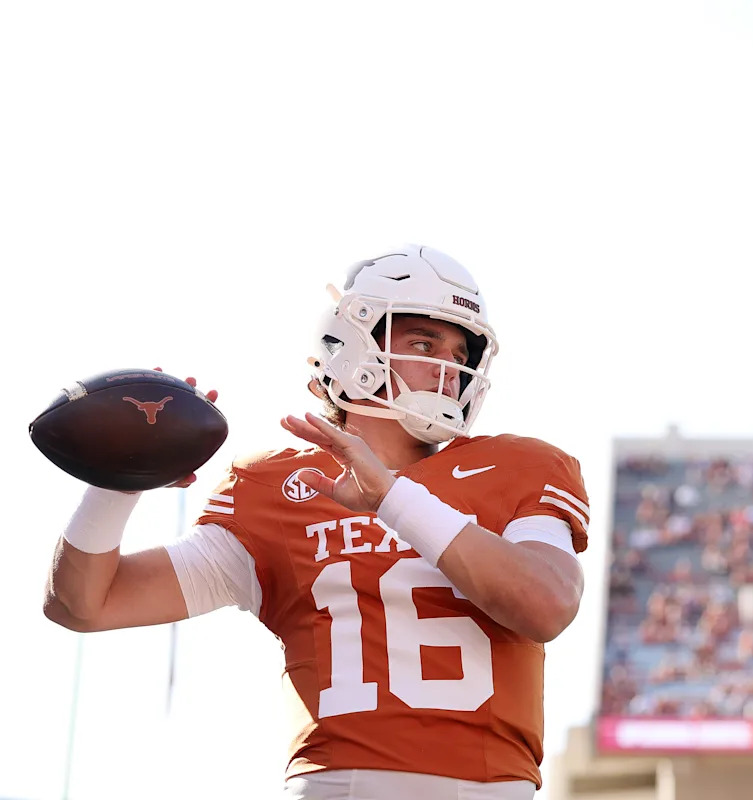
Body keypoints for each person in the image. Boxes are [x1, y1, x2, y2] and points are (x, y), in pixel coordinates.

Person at [43, 245, 590, 800]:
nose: (448, 370)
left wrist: (392, 498)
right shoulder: (275, 487)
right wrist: (121, 477)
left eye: (460, 352)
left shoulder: (518, 466)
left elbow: (546, 605)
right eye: (424, 344)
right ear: (352, 346)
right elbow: (84, 605)